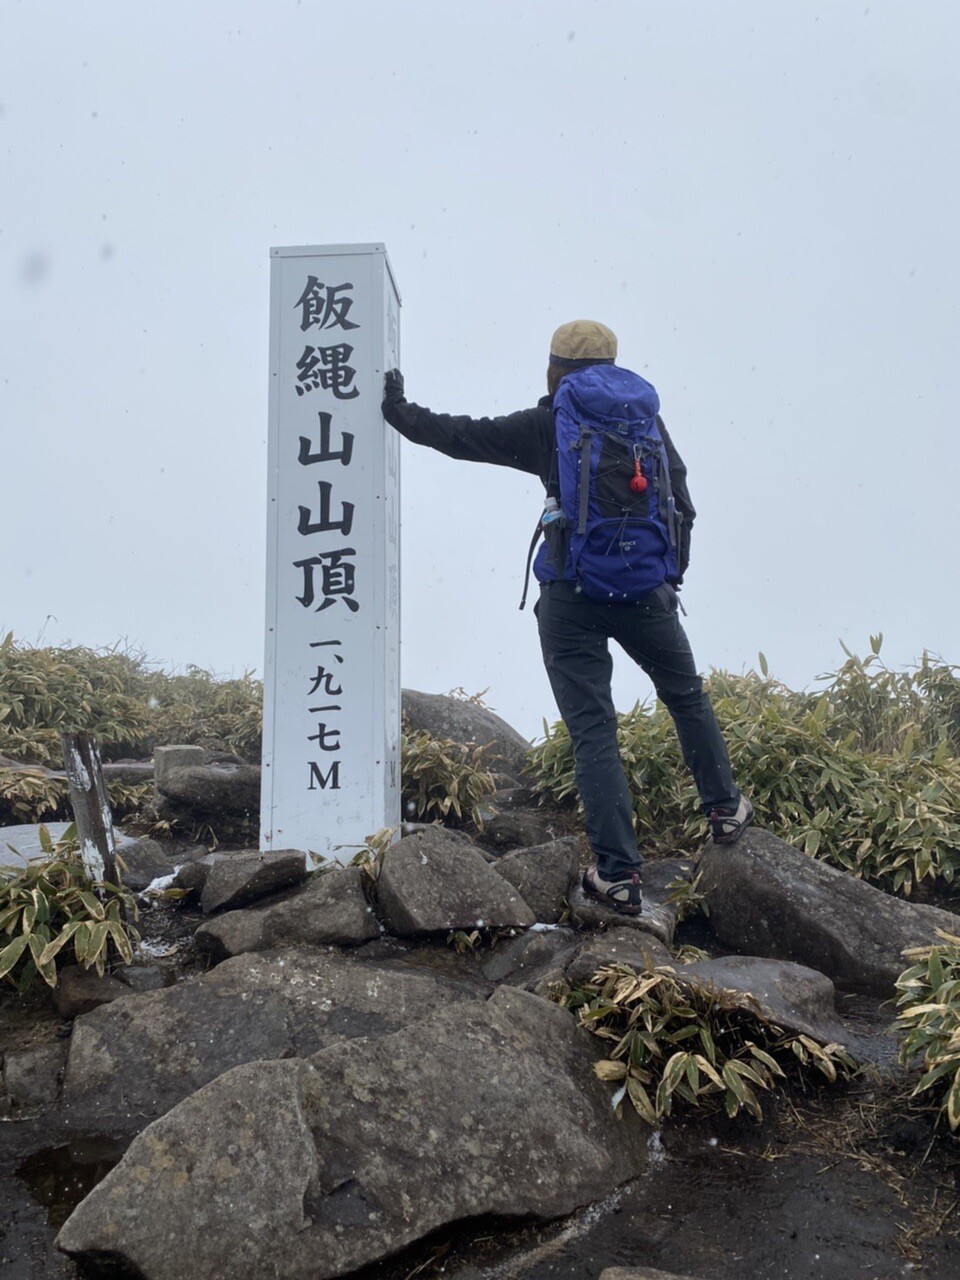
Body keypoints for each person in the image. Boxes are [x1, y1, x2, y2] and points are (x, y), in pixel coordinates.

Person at [382, 319, 752, 916]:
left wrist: (399, 410)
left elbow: (462, 435)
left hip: (570, 594)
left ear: (555, 370)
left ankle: (619, 876)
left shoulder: (547, 424)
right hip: (646, 593)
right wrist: (665, 578)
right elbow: (682, 501)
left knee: (593, 730)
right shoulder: (647, 425)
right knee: (686, 697)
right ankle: (725, 809)